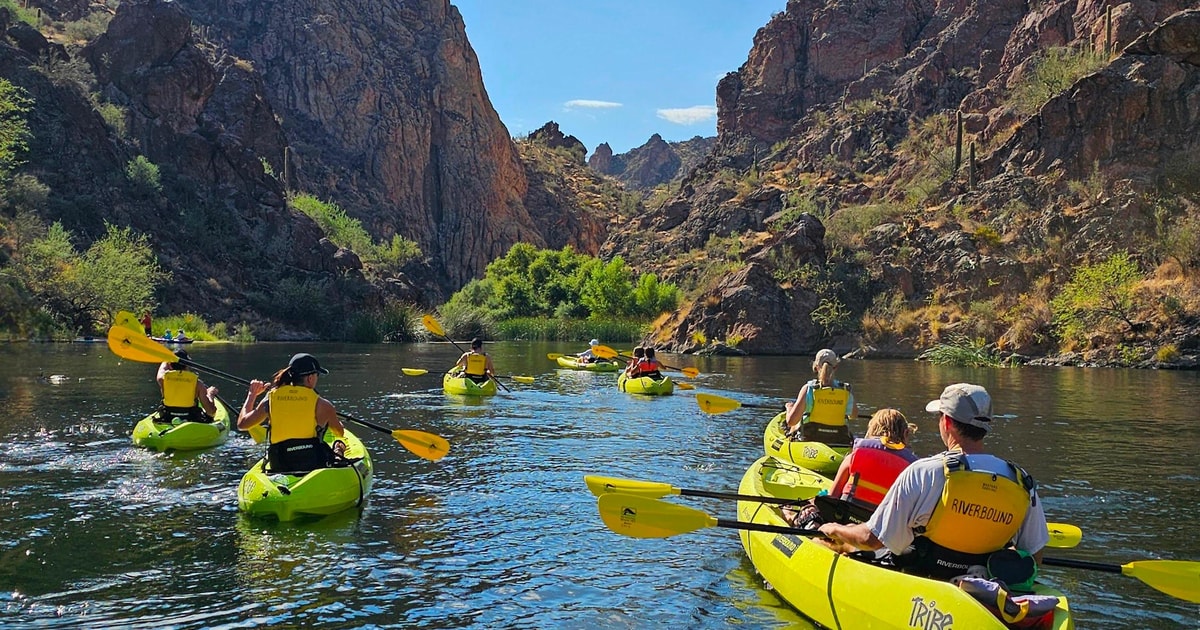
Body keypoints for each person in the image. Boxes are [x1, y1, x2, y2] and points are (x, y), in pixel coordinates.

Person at [817, 383, 1050, 582]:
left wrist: (834, 529)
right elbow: (1034, 556)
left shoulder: (923, 472)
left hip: (920, 579)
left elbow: (872, 539)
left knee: (828, 541)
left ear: (946, 422)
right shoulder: (1021, 481)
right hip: (981, 582)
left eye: (939, 416)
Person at [784, 408, 918, 527]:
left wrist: (813, 505)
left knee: (799, 510)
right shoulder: (912, 469)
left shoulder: (854, 456)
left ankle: (791, 517)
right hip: (881, 529)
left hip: (844, 519)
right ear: (905, 433)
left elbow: (833, 497)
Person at [238, 353, 346, 472]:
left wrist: (251, 395)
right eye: (317, 375)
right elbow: (339, 432)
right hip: (312, 463)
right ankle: (338, 450)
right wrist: (337, 422)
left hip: (279, 463)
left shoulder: (270, 399)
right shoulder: (323, 405)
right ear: (310, 378)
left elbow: (242, 425)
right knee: (339, 443)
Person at [784, 349, 855, 445]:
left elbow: (791, 421)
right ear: (836, 367)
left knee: (791, 427)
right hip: (839, 439)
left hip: (810, 438)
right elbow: (853, 415)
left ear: (816, 367)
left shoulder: (808, 389)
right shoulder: (846, 390)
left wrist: (789, 409)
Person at [155, 350, 218, 423]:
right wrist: (210, 394)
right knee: (210, 416)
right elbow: (210, 411)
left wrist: (168, 358)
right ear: (187, 364)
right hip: (191, 418)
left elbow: (162, 368)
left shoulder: (162, 379)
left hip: (168, 417)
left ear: (170, 364)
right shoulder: (198, 384)